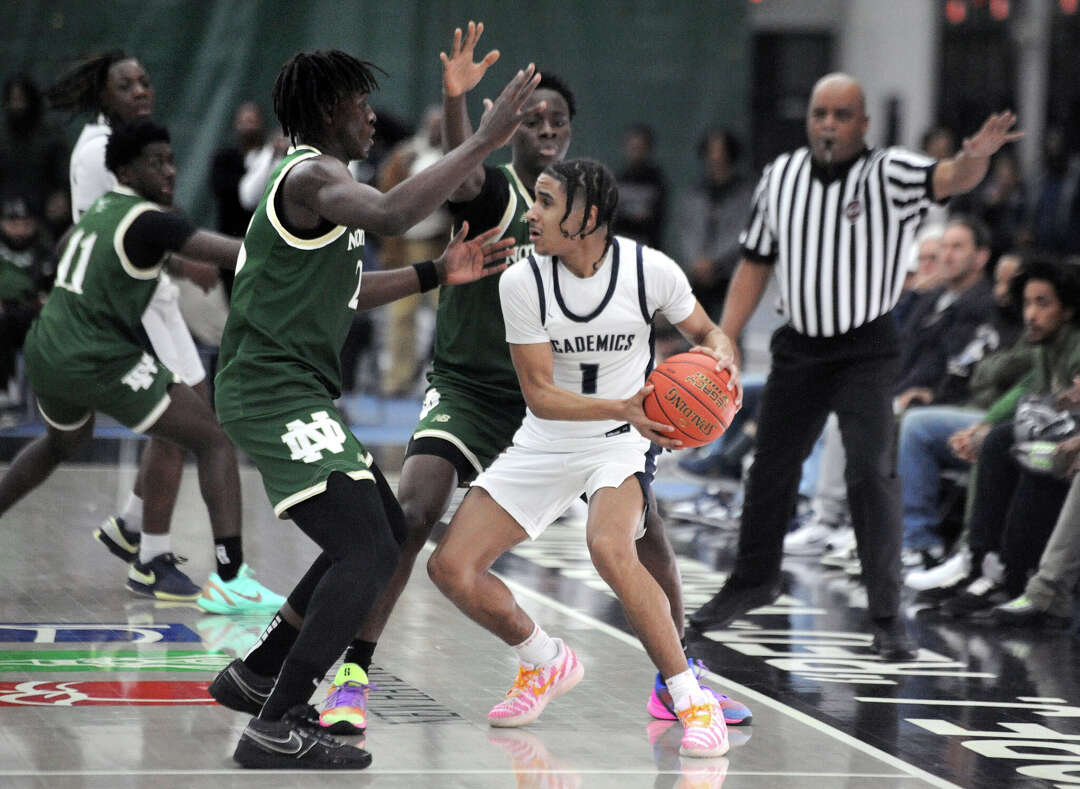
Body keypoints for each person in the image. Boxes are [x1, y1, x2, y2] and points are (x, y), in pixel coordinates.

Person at [208, 48, 540, 770]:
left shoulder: (322, 183)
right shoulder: (314, 173)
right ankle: (278, 719)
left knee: (383, 527)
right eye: (360, 104)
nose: (371, 117)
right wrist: (484, 141)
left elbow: (347, 288)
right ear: (329, 110)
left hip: (289, 387)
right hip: (271, 388)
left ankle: (260, 669)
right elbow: (395, 210)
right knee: (366, 547)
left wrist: (434, 272)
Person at [687, 72, 1022, 660]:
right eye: (820, 114)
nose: (829, 125)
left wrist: (975, 156)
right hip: (800, 344)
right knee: (770, 466)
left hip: (866, 345)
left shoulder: (889, 171)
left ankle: (887, 613)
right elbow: (755, 262)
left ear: (863, 124)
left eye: (843, 115)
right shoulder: (781, 176)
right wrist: (726, 334)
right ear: (808, 120)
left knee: (871, 471)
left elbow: (950, 179)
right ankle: (752, 581)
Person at [427, 158, 741, 759]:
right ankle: (543, 659)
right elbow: (540, 395)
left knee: (609, 547)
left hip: (620, 441)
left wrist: (724, 363)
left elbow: (709, 333)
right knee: (450, 569)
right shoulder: (523, 281)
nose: (531, 214)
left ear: (587, 217)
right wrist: (624, 407)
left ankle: (691, 700)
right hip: (553, 434)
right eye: (534, 199)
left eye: (545, 203)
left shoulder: (651, 271)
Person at [46, 52, 280, 612]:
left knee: (192, 415)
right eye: (124, 84)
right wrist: (182, 262)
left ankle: (132, 525)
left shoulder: (134, 143)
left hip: (161, 297)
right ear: (102, 95)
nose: (139, 90)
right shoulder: (94, 153)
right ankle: (152, 558)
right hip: (134, 300)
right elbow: (105, 233)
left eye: (144, 80)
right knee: (186, 424)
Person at [0, 121, 252, 604]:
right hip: (92, 355)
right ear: (124, 168)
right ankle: (233, 581)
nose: (169, 171)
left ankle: (134, 531)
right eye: (155, 161)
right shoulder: (151, 220)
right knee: (212, 438)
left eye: (171, 160)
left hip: (45, 345)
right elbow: (238, 255)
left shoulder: (99, 211)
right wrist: (298, 251)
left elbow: (60, 251)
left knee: (64, 441)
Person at [375, 104, 453, 397]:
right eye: (431, 124)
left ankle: (448, 379)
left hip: (439, 244)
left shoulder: (451, 156)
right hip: (405, 246)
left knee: (446, 315)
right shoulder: (406, 154)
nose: (435, 130)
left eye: (440, 125)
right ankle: (397, 380)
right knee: (400, 316)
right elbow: (386, 190)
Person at [675, 127, 754, 321]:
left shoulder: (743, 194)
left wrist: (714, 262)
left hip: (729, 276)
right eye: (711, 150)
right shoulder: (694, 193)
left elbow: (741, 231)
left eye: (720, 150)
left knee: (727, 333)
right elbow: (686, 228)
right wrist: (696, 261)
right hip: (696, 276)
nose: (715, 156)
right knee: (694, 335)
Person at [613, 123, 667, 249]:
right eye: (633, 147)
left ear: (648, 149)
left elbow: (655, 220)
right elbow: (612, 218)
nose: (636, 152)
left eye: (640, 148)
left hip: (648, 250)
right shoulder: (618, 180)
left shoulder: (657, 181)